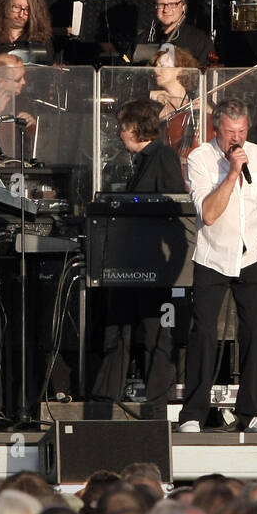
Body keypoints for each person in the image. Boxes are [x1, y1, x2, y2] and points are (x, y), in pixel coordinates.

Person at [176, 99, 257, 434]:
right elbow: (208, 213)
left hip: (250, 254)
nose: (237, 139)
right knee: (204, 332)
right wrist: (233, 172)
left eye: (243, 131)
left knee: (256, 332)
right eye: (230, 132)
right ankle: (193, 413)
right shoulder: (200, 158)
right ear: (216, 129)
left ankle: (251, 412)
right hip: (214, 256)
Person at [91, 99, 186, 409]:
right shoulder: (140, 160)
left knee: (154, 331)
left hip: (152, 261)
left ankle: (157, 401)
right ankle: (107, 395)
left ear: (135, 128)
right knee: (117, 327)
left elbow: (174, 203)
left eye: (123, 128)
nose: (120, 133)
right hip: (129, 259)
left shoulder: (163, 157)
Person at [148, 45, 201, 160]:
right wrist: (150, 94)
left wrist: (208, 110)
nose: (156, 70)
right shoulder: (154, 104)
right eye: (156, 66)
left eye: (163, 66)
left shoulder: (197, 102)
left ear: (180, 69)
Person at [143, 0, 213, 64]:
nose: (166, 9)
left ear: (184, 7)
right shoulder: (143, 39)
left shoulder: (200, 41)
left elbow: (207, 74)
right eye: (161, 4)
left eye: (172, 4)